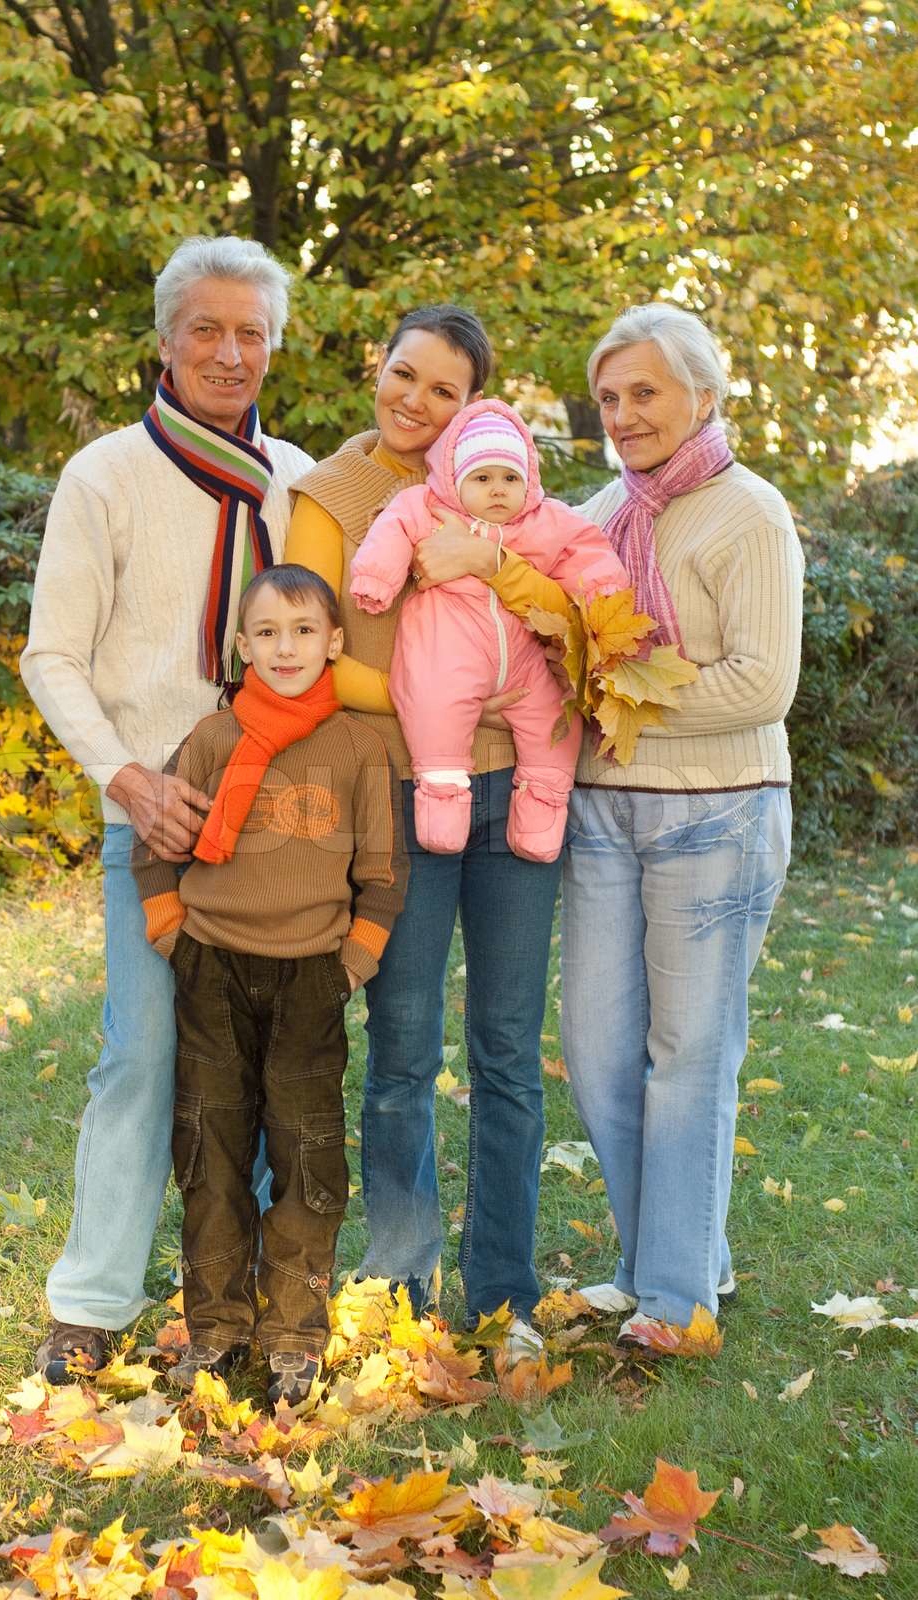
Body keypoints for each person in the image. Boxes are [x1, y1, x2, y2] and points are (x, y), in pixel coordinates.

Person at [19, 236, 314, 1383]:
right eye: (208, 328)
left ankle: (247, 1304)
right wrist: (129, 780)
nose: (230, 352)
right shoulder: (102, 476)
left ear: (273, 348)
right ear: (165, 340)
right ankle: (90, 1298)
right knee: (142, 1057)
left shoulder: (297, 482)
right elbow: (52, 655)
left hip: (278, 830)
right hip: (153, 820)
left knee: (262, 1068)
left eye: (251, 332)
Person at [285, 305, 583, 1361]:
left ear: (475, 405)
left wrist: (489, 572)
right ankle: (402, 1279)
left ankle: (503, 1289)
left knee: (506, 1049)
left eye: (443, 388)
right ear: (380, 366)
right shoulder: (334, 493)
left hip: (516, 801)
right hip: (403, 798)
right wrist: (436, 701)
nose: (415, 399)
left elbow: (570, 603)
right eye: (403, 373)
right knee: (403, 1047)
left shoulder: (503, 493)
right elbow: (306, 651)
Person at [559, 303, 804, 1344]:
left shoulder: (747, 513)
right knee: (598, 1051)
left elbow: (761, 684)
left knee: (688, 1051)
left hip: (719, 814)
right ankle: (679, 1254)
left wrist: (617, 694)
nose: (625, 414)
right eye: (611, 397)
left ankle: (673, 1297)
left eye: (645, 392)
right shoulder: (596, 513)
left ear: (704, 393)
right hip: (603, 811)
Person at [131, 565, 407, 1407]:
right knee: (210, 1149)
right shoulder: (211, 740)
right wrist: (172, 938)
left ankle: (293, 1333)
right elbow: (156, 846)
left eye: (302, 631)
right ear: (240, 645)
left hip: (311, 978)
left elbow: (382, 875)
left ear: (332, 643)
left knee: (305, 1150)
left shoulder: (359, 748)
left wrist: (351, 962)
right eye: (266, 632)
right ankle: (215, 1329)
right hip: (211, 967)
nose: (284, 648)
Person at [350, 398, 627, 860]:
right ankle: (441, 799)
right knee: (434, 709)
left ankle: (542, 803)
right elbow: (393, 528)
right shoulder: (430, 508)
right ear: (456, 479)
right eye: (482, 478)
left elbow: (588, 554)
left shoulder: (547, 521)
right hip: (448, 654)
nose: (497, 490)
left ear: (529, 481)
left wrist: (602, 596)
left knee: (556, 721)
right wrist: (377, 578)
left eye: (510, 478)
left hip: (527, 660)